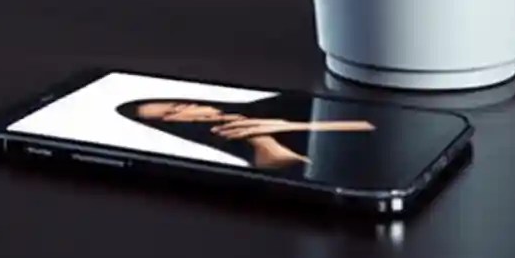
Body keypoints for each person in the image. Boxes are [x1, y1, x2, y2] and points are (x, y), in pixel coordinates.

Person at [116, 98, 374, 170]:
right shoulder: (243, 143)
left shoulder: (273, 104)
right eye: (171, 114)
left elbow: (374, 124)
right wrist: (264, 139)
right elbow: (302, 168)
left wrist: (293, 125)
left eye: (177, 104)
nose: (186, 108)